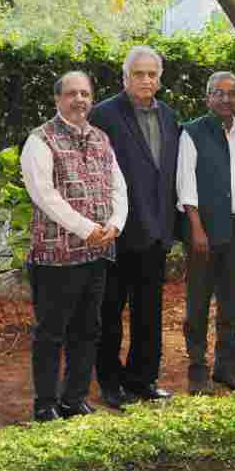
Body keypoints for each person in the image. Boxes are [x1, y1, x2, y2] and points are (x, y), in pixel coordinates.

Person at [20, 71, 128, 421]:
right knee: (51, 333)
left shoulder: (101, 139)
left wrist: (114, 224)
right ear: (58, 99)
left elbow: (117, 187)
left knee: (87, 330)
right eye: (71, 94)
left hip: (96, 255)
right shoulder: (40, 140)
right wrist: (85, 228)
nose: (79, 100)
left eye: (85, 93)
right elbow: (44, 195)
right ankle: (46, 404)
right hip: (56, 258)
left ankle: (74, 400)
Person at [88, 47, 181, 408]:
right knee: (109, 314)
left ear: (159, 79)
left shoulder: (170, 117)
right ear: (124, 77)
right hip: (116, 233)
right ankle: (110, 384)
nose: (146, 80)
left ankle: (143, 379)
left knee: (149, 313)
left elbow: (169, 175)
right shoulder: (103, 116)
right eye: (138, 74)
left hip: (156, 233)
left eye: (152, 74)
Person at [176, 71, 235, 395]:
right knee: (198, 302)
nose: (226, 99)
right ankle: (198, 371)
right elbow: (186, 185)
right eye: (219, 93)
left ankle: (227, 369)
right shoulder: (192, 133)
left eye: (232, 93)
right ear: (208, 97)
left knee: (230, 304)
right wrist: (196, 228)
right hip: (205, 232)